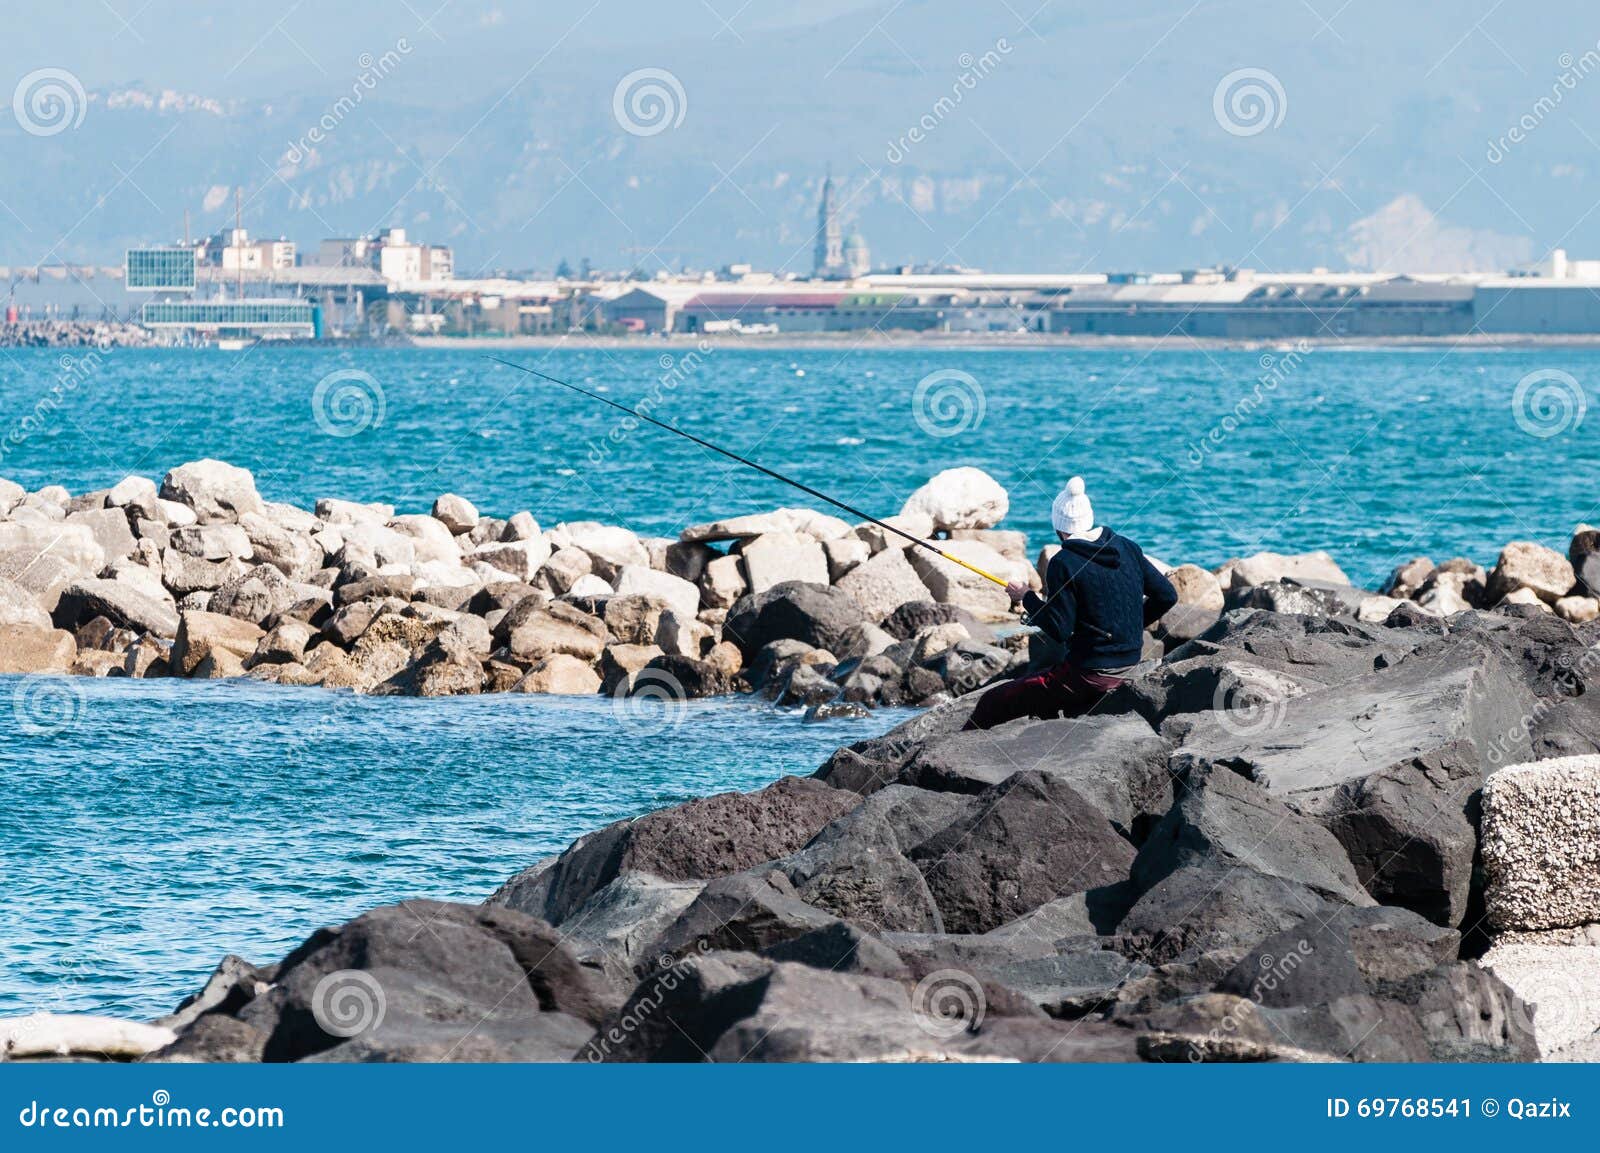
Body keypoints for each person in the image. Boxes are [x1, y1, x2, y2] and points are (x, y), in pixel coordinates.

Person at [965, 476, 1176, 731]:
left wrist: (1026, 598)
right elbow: (1167, 595)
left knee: (993, 701)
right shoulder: (1126, 546)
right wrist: (1129, 626)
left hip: (1091, 675)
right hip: (1131, 660)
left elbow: (1059, 629)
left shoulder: (1064, 563)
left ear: (1059, 527)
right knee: (1044, 697)